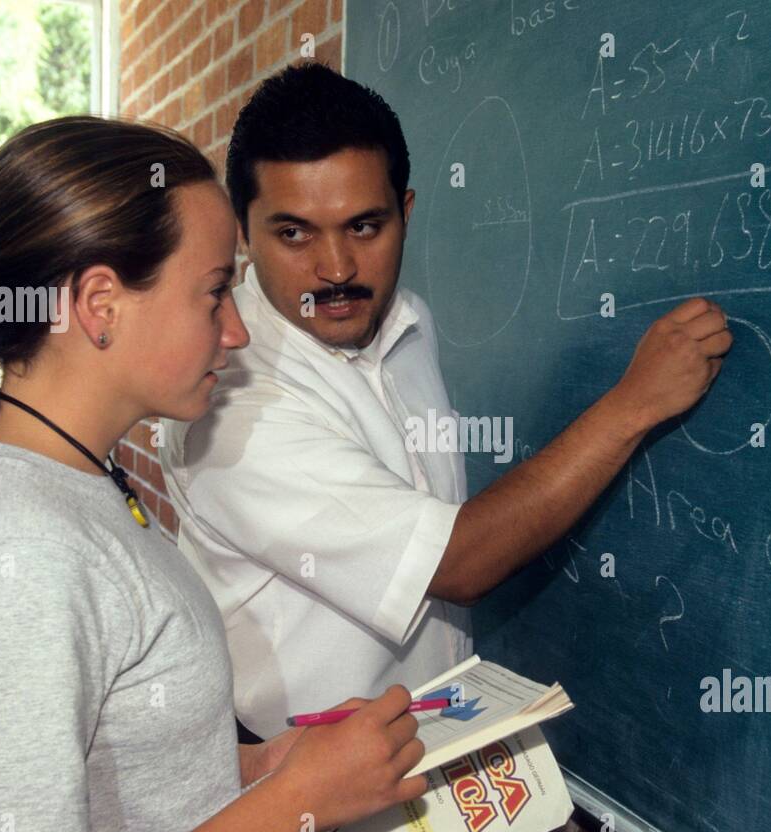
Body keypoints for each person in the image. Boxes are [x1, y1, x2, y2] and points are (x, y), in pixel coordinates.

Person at [0, 116, 428, 832]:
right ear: (100, 305)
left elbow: (112, 781)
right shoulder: (9, 549)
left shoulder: (72, 484)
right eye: (212, 294)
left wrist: (265, 769)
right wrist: (289, 807)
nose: (235, 332)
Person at [162, 63, 732, 741]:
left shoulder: (409, 320)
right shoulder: (233, 404)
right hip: (296, 790)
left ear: (405, 213)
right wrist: (634, 404)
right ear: (243, 233)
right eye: (294, 234)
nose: (337, 268)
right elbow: (456, 562)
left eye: (365, 227)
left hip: (427, 748)